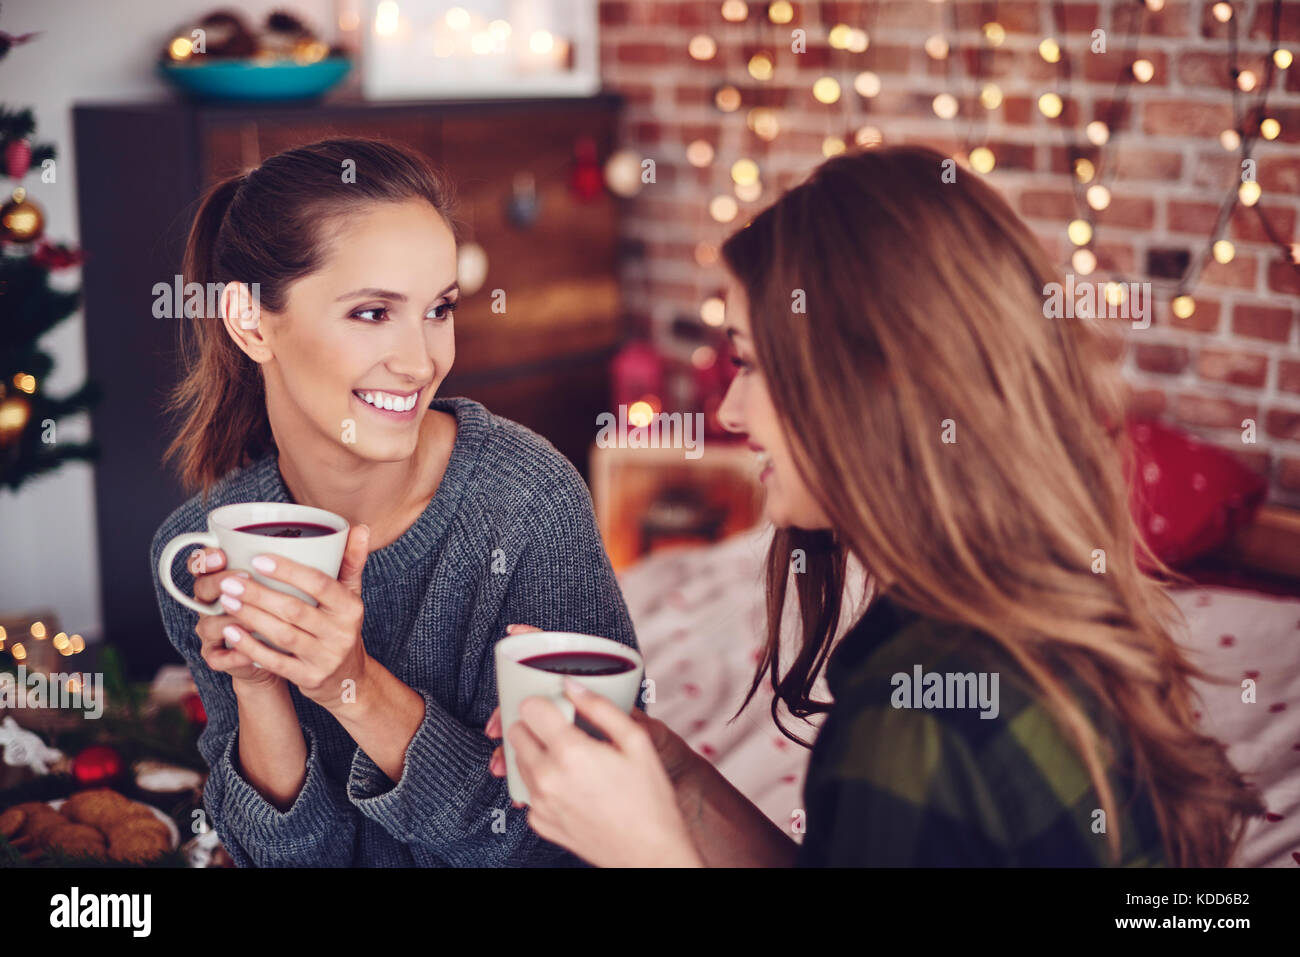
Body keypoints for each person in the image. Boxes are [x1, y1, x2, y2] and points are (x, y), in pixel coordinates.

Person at [484, 144, 1264, 867]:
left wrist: (644, 850)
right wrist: (675, 779)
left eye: (751, 364)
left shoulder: (913, 725)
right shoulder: (1039, 608)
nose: (729, 412)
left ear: (868, 389)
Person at [149, 137, 639, 867]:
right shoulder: (198, 547)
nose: (420, 361)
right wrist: (257, 688)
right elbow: (292, 860)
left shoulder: (526, 501)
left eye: (438, 309)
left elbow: (578, 840)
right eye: (374, 313)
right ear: (251, 323)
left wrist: (353, 687)